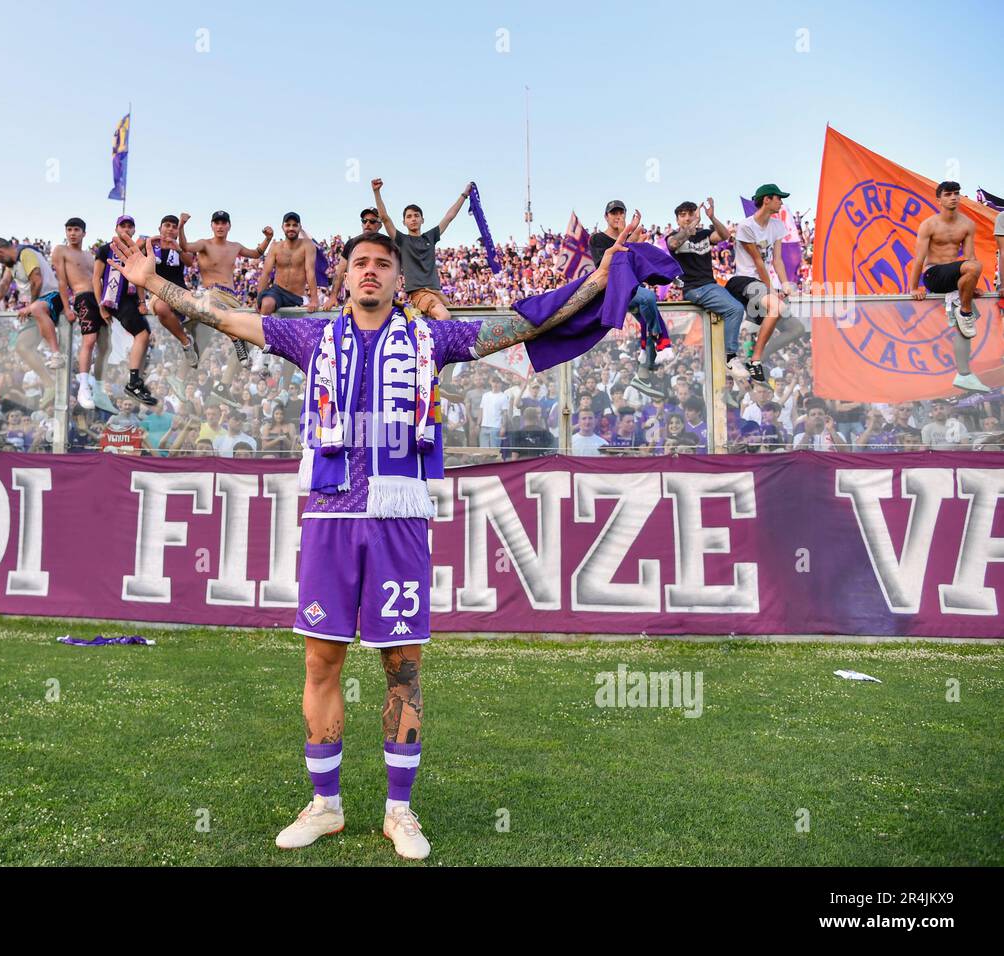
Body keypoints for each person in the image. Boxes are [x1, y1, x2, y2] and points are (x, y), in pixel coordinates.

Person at [109, 212, 639, 861]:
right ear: (342, 279)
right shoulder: (313, 338)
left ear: (396, 279)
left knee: (402, 668)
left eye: (383, 264)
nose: (370, 270)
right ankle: (326, 805)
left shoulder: (430, 340)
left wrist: (596, 279)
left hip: (398, 517)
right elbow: (227, 319)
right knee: (320, 660)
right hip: (331, 514)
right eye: (361, 262)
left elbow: (521, 326)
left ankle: (399, 812)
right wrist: (154, 284)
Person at [908, 181, 990, 393]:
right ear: (939, 199)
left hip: (956, 276)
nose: (954, 197)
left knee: (964, 326)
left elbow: (970, 258)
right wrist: (914, 287)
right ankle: (965, 311)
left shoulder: (967, 224)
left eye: (957, 193)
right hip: (934, 275)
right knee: (972, 272)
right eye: (949, 194)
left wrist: (972, 285)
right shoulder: (929, 224)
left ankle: (964, 374)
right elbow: (919, 259)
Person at [591, 201, 666, 399]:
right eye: (613, 213)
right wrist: (628, 234)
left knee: (650, 315)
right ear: (606, 217)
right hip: (612, 289)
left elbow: (636, 263)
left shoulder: (629, 237)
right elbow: (607, 266)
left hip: (631, 287)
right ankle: (655, 332)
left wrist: (634, 239)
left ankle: (645, 372)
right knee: (649, 299)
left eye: (621, 213)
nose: (617, 217)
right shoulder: (597, 238)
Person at [177, 210, 272, 367]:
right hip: (213, 293)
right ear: (212, 226)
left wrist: (267, 239)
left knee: (250, 329)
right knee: (211, 309)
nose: (220, 226)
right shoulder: (204, 244)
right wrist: (181, 226)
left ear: (229, 226)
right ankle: (235, 339)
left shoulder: (235, 246)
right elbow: (185, 246)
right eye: (217, 223)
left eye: (223, 223)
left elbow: (256, 254)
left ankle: (262, 362)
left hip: (232, 296)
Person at [372, 177, 472, 320]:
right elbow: (385, 218)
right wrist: (376, 192)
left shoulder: (429, 237)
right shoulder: (402, 240)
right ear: (404, 222)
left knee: (456, 319)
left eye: (416, 216)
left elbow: (449, 216)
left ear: (422, 220)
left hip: (436, 292)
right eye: (409, 216)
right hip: (419, 293)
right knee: (444, 316)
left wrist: (464, 195)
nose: (413, 219)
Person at [0, 237, 65, 411]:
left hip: (51, 297)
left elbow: (37, 280)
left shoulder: (26, 253)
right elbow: (4, 284)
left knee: (35, 314)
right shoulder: (11, 265)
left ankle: (56, 354)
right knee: (22, 347)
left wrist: (31, 306)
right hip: (35, 306)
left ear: (0, 252)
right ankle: (50, 385)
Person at [668, 200, 746, 378]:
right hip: (695, 288)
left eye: (690, 214)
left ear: (697, 214)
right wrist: (692, 226)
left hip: (709, 286)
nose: (687, 218)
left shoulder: (704, 234)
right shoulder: (673, 236)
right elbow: (673, 245)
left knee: (737, 300)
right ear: (677, 220)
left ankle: (723, 355)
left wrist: (712, 217)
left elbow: (725, 236)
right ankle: (730, 357)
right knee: (735, 309)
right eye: (683, 215)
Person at [725, 185, 796, 384]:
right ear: (766, 200)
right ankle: (755, 360)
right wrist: (773, 290)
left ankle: (758, 356)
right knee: (778, 306)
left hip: (762, 284)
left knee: (796, 328)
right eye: (778, 198)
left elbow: (777, 260)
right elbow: (757, 261)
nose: (781, 202)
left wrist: (785, 283)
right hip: (743, 282)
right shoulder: (746, 226)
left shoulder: (777, 225)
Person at [94, 217, 156, 406]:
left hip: (130, 299)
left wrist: (141, 301)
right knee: (142, 334)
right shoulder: (105, 249)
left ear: (134, 230)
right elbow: (96, 278)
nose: (126, 229)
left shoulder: (135, 252)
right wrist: (101, 305)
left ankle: (136, 380)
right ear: (116, 228)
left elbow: (139, 279)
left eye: (130, 226)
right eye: (123, 225)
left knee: (145, 335)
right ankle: (133, 382)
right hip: (115, 300)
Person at [52, 217, 106, 409]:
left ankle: (96, 386)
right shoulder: (61, 250)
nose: (72, 233)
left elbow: (98, 279)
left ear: (84, 233)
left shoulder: (89, 255)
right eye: (69, 229)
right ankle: (83, 387)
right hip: (82, 296)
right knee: (89, 341)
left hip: (99, 299)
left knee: (105, 345)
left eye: (76, 230)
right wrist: (67, 307)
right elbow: (61, 281)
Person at [147, 215, 199, 363]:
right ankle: (186, 343)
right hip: (159, 291)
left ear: (178, 231)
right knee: (161, 309)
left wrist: (178, 249)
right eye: (167, 225)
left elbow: (189, 262)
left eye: (174, 226)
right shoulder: (151, 244)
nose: (170, 229)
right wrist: (148, 242)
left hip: (179, 289)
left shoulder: (181, 245)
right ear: (160, 228)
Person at [255, 212, 319, 317]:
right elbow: (265, 273)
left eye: (294, 225)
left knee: (297, 323)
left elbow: (310, 272)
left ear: (300, 227)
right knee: (266, 304)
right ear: (282, 227)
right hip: (277, 291)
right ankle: (262, 333)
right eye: (288, 225)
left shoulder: (307, 245)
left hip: (296, 295)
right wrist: (259, 299)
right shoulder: (275, 247)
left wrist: (314, 299)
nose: (291, 228)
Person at [327, 209, 383, 309]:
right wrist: (333, 297)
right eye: (364, 221)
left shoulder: (386, 245)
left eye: (372, 221)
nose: (367, 224)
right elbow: (339, 272)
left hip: (380, 296)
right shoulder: (352, 243)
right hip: (357, 297)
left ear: (380, 225)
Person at [478, 376, 509, 449]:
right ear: (491, 383)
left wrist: (503, 427)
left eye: (497, 382)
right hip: (484, 426)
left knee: (495, 451)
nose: (495, 384)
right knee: (483, 450)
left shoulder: (503, 396)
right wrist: (478, 424)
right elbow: (481, 410)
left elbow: (505, 413)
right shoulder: (485, 395)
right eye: (494, 382)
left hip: (496, 426)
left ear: (500, 384)